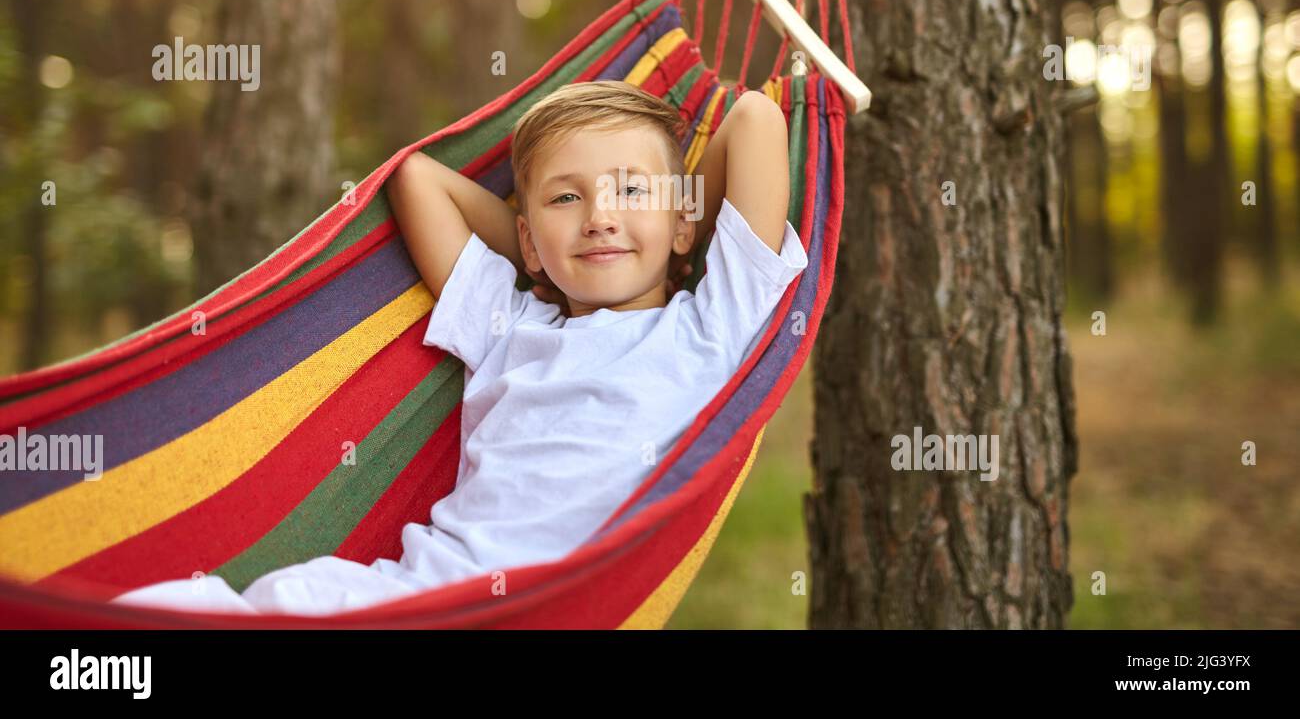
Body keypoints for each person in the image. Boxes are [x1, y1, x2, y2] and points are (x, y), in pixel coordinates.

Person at [111, 80, 807, 616]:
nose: (601, 217)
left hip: (541, 611)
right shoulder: (512, 328)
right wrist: (546, 258)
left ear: (687, 218)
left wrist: (666, 227)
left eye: (630, 189)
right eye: (567, 199)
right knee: (222, 612)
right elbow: (419, 181)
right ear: (526, 238)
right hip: (419, 597)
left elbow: (755, 120)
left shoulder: (712, 325)